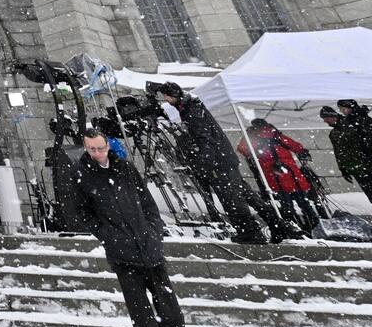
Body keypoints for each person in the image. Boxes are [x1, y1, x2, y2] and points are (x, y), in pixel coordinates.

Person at [76, 128, 183, 327]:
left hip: (150, 250)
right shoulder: (82, 175)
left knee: (174, 318)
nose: (97, 153)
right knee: (144, 322)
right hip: (123, 257)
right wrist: (108, 235)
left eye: (101, 148)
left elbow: (146, 202)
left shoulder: (125, 168)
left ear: (108, 146)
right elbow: (81, 213)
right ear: (86, 148)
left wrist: (154, 230)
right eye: (92, 149)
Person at [158, 83, 296, 244]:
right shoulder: (190, 107)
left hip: (218, 162)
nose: (166, 100)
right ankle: (277, 225)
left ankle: (250, 232)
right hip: (223, 159)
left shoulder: (191, 110)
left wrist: (206, 161)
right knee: (246, 194)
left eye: (167, 96)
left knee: (231, 198)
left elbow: (204, 137)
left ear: (174, 94)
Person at [237, 119, 320, 232]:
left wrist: (249, 136)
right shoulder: (276, 134)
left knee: (287, 205)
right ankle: (314, 224)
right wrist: (302, 152)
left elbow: (243, 149)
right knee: (304, 203)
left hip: (275, 176)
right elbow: (295, 146)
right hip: (292, 174)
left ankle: (293, 227)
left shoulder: (253, 138)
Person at [322, 105, 372, 202]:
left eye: (325, 118)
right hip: (356, 167)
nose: (325, 121)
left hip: (364, 165)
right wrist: (343, 169)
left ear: (333, 116)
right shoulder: (334, 133)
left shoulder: (351, 124)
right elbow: (339, 153)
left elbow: (364, 143)